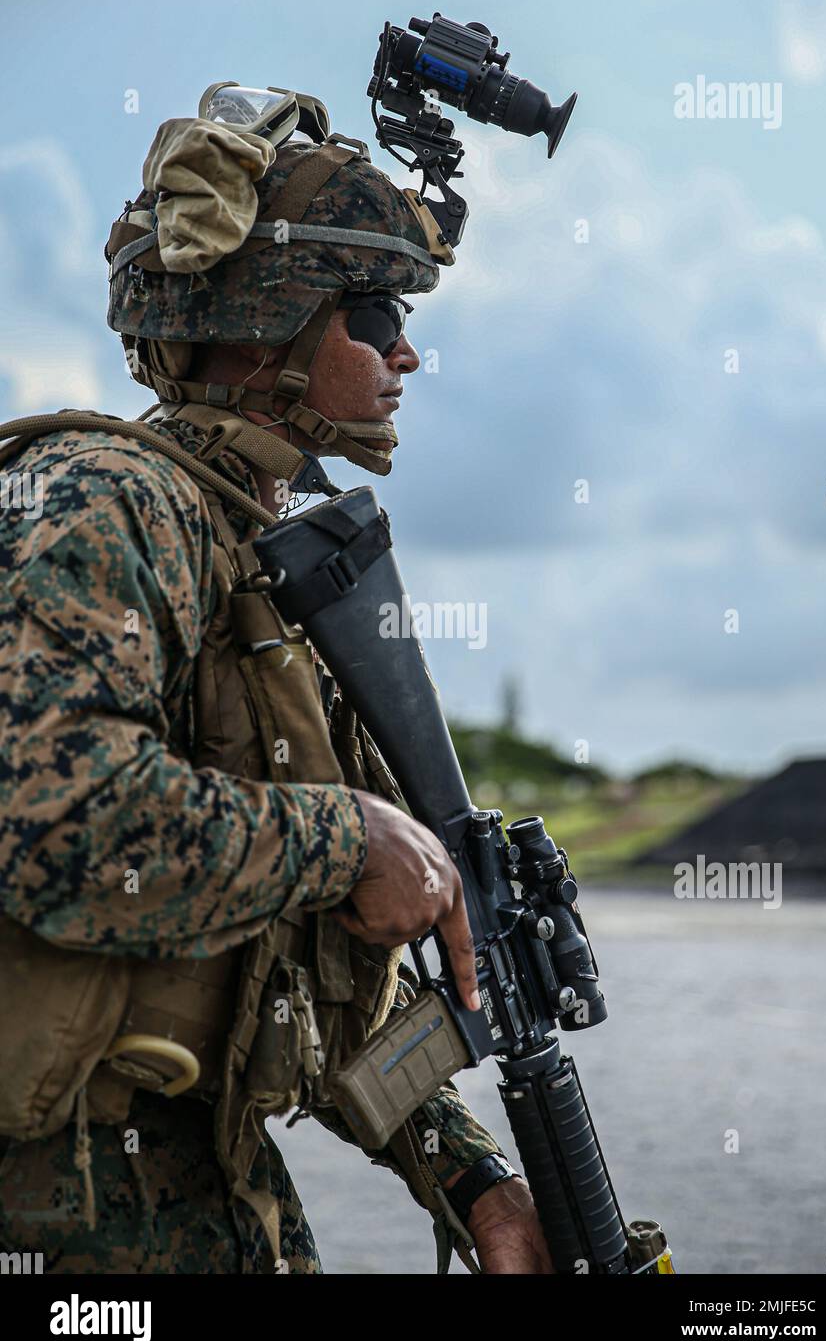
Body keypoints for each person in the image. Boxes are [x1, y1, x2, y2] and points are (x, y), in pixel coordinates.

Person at [0, 109, 554, 1274]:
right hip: (52, 1201)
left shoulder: (260, 562)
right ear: (266, 326)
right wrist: (349, 836)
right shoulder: (105, 499)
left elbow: (314, 968)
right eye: (378, 316)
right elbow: (53, 819)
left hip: (185, 1173)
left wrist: (470, 1180)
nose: (404, 357)